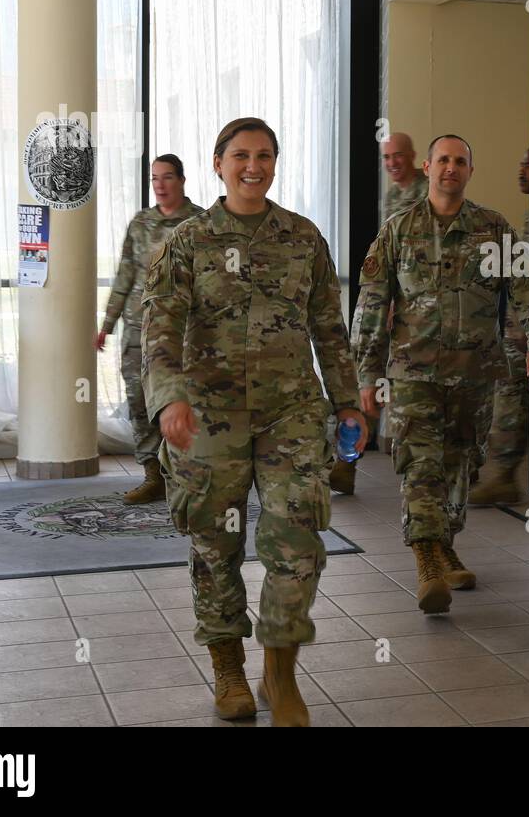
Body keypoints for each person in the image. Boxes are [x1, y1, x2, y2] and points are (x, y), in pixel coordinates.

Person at [142, 117, 366, 728]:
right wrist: (168, 399)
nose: (253, 166)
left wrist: (348, 401)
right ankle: (228, 670)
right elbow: (159, 325)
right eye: (240, 155)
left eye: (265, 155)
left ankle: (280, 672)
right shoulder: (186, 241)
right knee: (216, 546)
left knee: (297, 540)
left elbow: (329, 326)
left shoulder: (303, 238)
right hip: (209, 417)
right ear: (217, 164)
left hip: (291, 413)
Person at [352, 135, 529, 614]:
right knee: (421, 466)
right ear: (428, 166)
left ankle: (445, 544)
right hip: (414, 373)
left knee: (461, 467)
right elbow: (373, 304)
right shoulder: (399, 230)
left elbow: (527, 288)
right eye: (443, 160)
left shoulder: (493, 229)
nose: (450, 168)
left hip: (476, 375)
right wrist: (366, 374)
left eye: (460, 161)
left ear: (469, 171)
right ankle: (426, 560)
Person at [95, 154, 202, 504]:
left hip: (181, 333)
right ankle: (152, 474)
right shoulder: (140, 223)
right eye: (154, 178)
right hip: (137, 328)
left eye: (167, 177)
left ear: (182, 180)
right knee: (139, 404)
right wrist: (106, 325)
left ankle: (184, 475)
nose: (159, 184)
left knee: (178, 402)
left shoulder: (199, 223)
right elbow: (125, 273)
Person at [329, 131, 429, 496]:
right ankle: (345, 464)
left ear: (413, 156)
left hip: (418, 312)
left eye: (398, 156)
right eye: (386, 158)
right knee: (365, 381)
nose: (392, 164)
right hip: (386, 305)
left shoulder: (426, 192)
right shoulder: (392, 196)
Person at [471, 145, 529, 505]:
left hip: (528, 327)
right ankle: (498, 472)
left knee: (509, 394)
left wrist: (527, 325)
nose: (520, 171)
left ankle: (504, 476)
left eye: (528, 165)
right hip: (516, 323)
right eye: (521, 163)